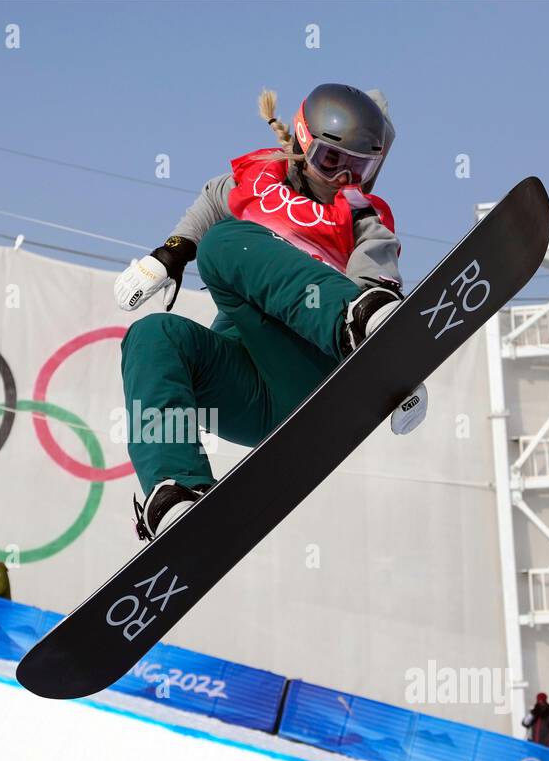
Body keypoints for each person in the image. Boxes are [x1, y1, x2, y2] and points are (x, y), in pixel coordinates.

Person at [114, 83, 427, 541]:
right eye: (331, 161)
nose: (342, 178)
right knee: (153, 334)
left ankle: (348, 318)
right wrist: (171, 253)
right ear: (302, 142)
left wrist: (397, 371)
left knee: (223, 243)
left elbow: (378, 283)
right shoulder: (260, 182)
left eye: (358, 168)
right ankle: (175, 490)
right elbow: (212, 200)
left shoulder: (361, 217)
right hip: (244, 395)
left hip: (309, 364)